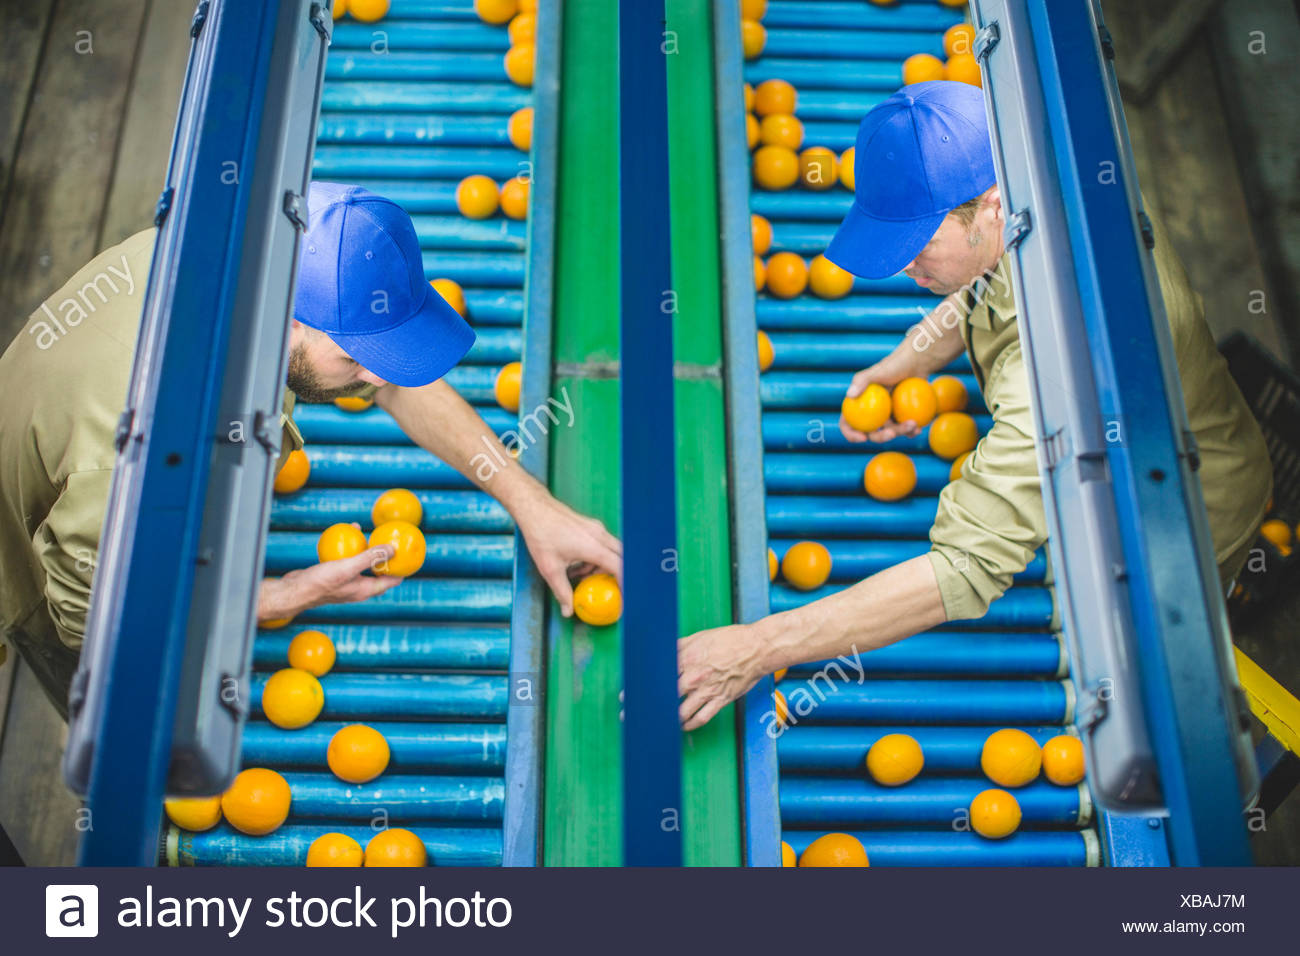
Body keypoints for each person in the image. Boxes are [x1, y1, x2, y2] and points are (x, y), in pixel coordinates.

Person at [677, 81, 1271, 731]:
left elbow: (965, 569)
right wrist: (914, 355)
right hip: (1104, 434)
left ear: (990, 205)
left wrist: (757, 648)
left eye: (918, 247)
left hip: (1182, 502)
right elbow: (991, 277)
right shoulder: (1034, 175)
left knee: (1146, 659)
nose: (906, 270)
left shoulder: (1057, 370)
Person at [0, 181, 621, 719]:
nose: (378, 378)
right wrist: (282, 594)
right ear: (287, 320)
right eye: (356, 357)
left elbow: (389, 383)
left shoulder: (272, 244)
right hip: (36, 557)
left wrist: (530, 503)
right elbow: (90, 623)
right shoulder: (146, 444)